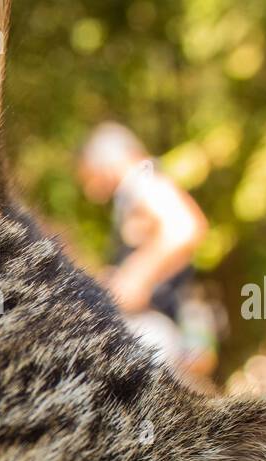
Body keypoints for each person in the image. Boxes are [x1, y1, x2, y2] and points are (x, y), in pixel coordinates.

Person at [77, 122, 214, 377]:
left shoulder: (141, 180)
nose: (92, 191)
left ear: (105, 163)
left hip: (159, 330)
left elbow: (185, 226)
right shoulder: (137, 189)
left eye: (91, 177)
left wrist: (134, 277)